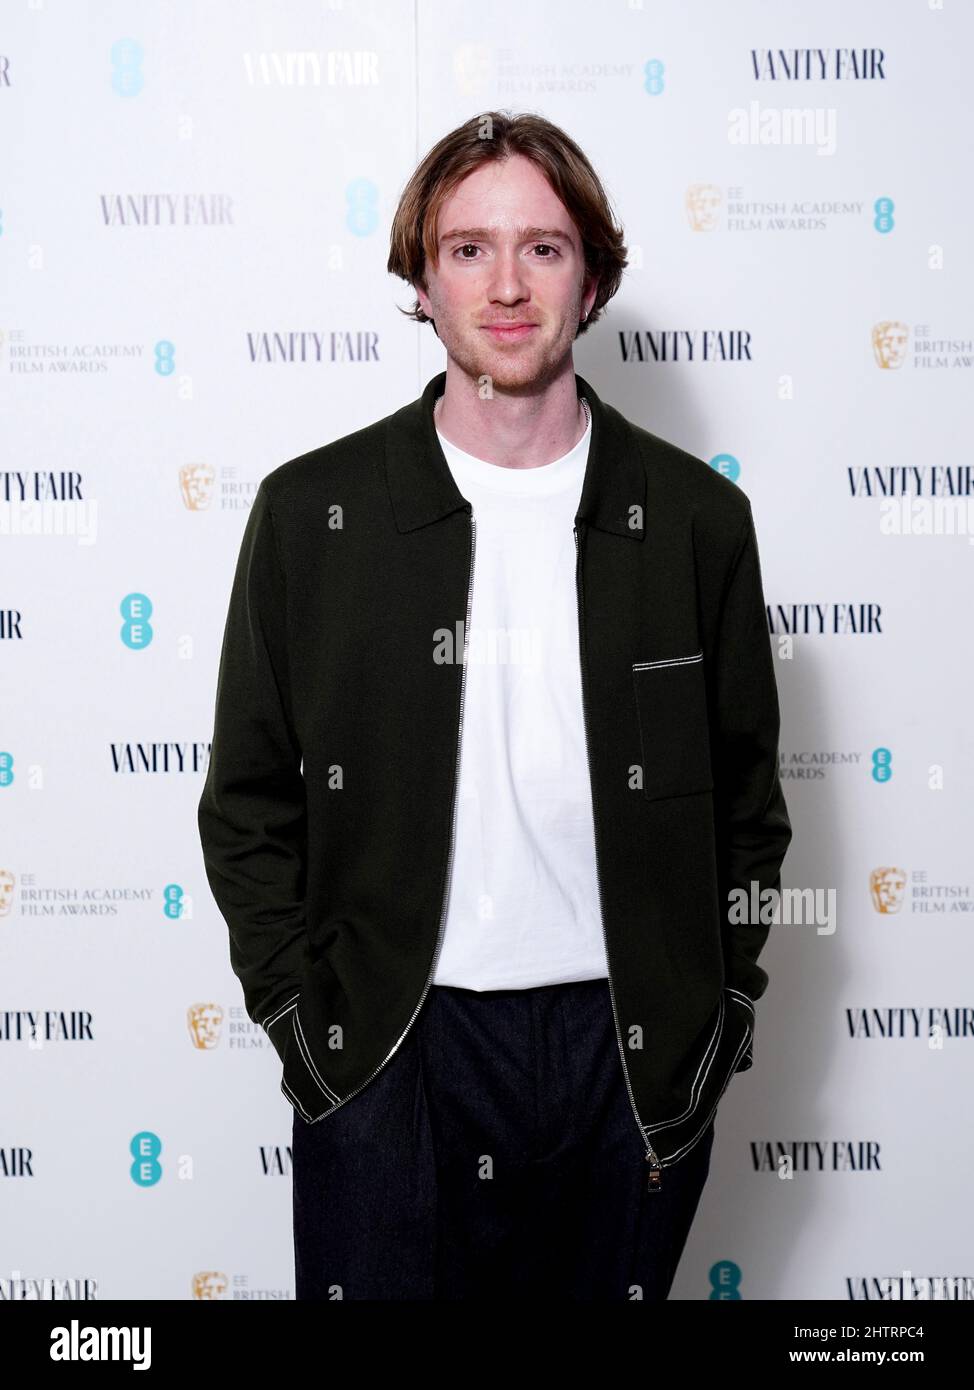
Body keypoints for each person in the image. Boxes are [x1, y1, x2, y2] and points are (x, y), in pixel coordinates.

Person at [197, 109, 793, 1302]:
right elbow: (249, 802)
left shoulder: (691, 522)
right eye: (468, 249)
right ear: (420, 279)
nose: (506, 286)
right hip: (393, 1044)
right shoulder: (315, 514)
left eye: (543, 247)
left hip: (622, 1048)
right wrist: (298, 1022)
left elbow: (745, 807)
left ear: (592, 279)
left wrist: (716, 1010)